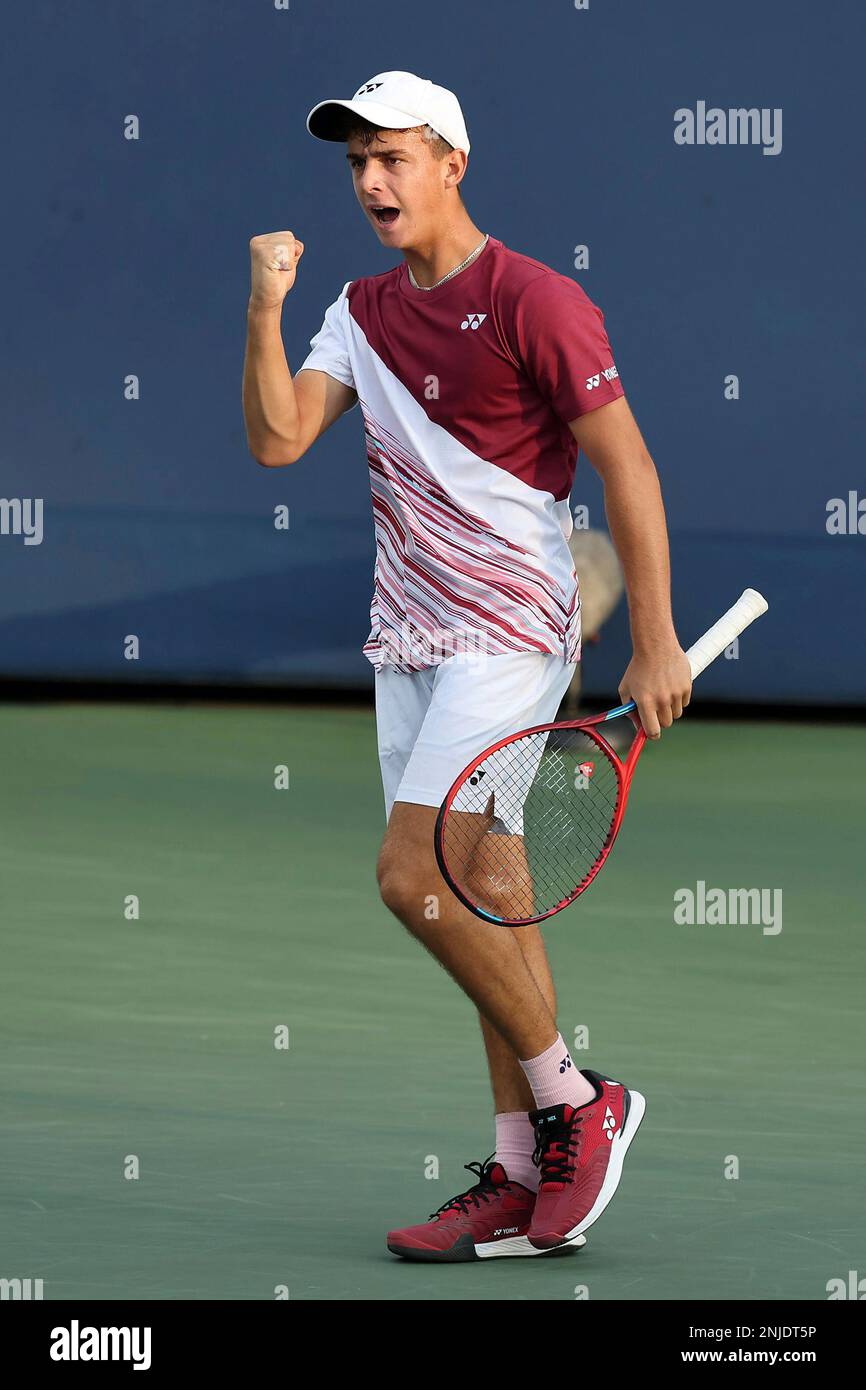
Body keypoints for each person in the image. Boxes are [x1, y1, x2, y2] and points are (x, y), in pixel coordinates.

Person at [242, 70, 692, 1262]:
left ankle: (575, 1100)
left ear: (452, 162)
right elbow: (281, 438)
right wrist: (263, 309)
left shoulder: (534, 299)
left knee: (413, 874)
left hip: (507, 626)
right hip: (409, 633)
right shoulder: (356, 310)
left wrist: (649, 635)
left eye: (392, 157)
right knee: (485, 890)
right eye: (355, 165)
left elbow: (627, 470)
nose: (371, 182)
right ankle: (513, 1166)